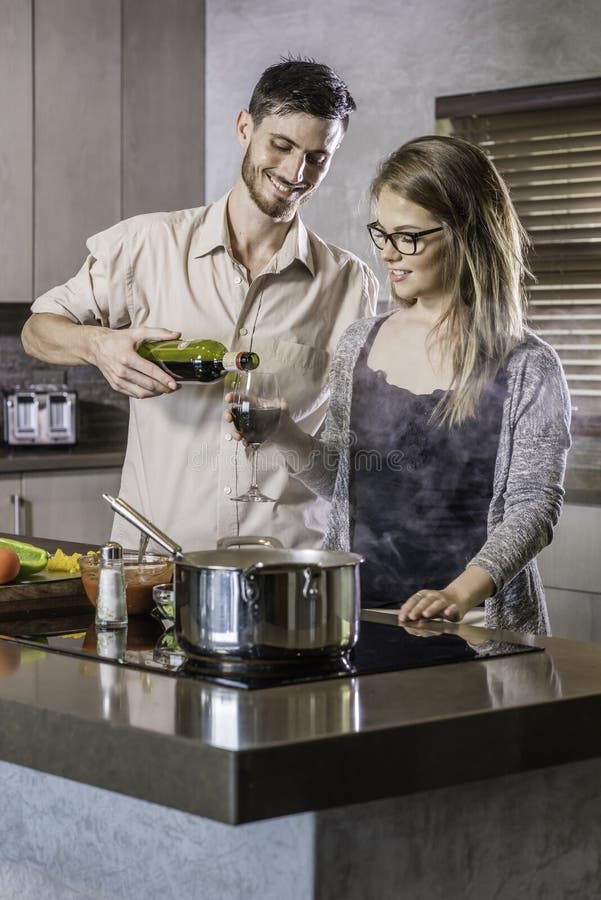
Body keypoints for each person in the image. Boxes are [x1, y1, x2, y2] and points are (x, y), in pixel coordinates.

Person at [21, 58, 378, 552]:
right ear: (244, 128)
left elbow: (349, 472)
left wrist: (287, 434)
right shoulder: (146, 245)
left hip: (287, 572)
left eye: (317, 158)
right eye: (281, 145)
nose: (296, 173)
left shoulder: (349, 284)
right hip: (158, 562)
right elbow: (37, 330)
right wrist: (98, 346)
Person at [249, 134, 571, 634]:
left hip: (477, 623)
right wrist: (282, 433)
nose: (387, 254)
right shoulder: (359, 343)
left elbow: (534, 508)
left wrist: (457, 594)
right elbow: (344, 482)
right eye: (382, 233)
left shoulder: (529, 366)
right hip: (359, 615)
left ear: (467, 234)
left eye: (408, 237)